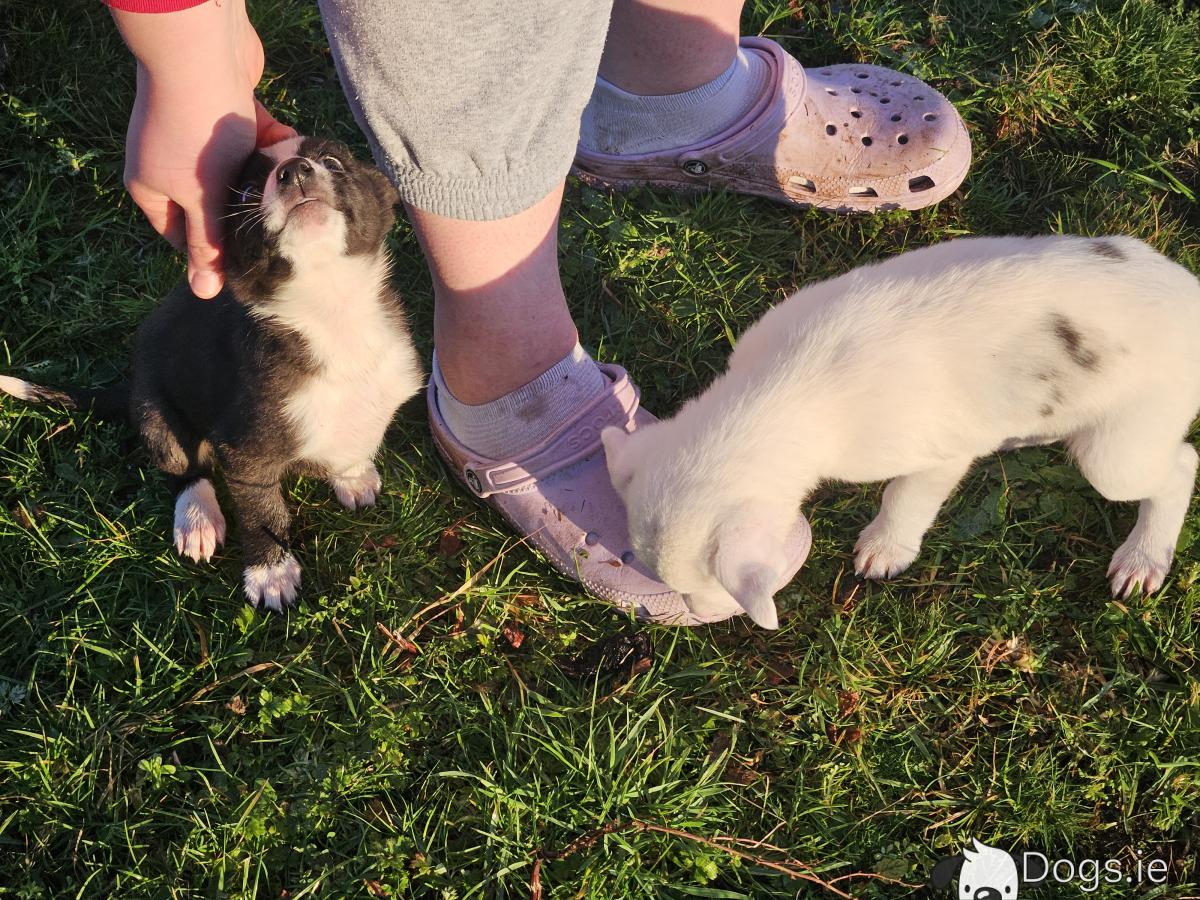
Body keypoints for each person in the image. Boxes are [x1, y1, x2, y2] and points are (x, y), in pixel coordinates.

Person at [105, 0, 971, 624]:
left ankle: (675, 76)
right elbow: (248, 450)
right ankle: (506, 371)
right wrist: (182, 55)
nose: (296, 179)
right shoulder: (246, 349)